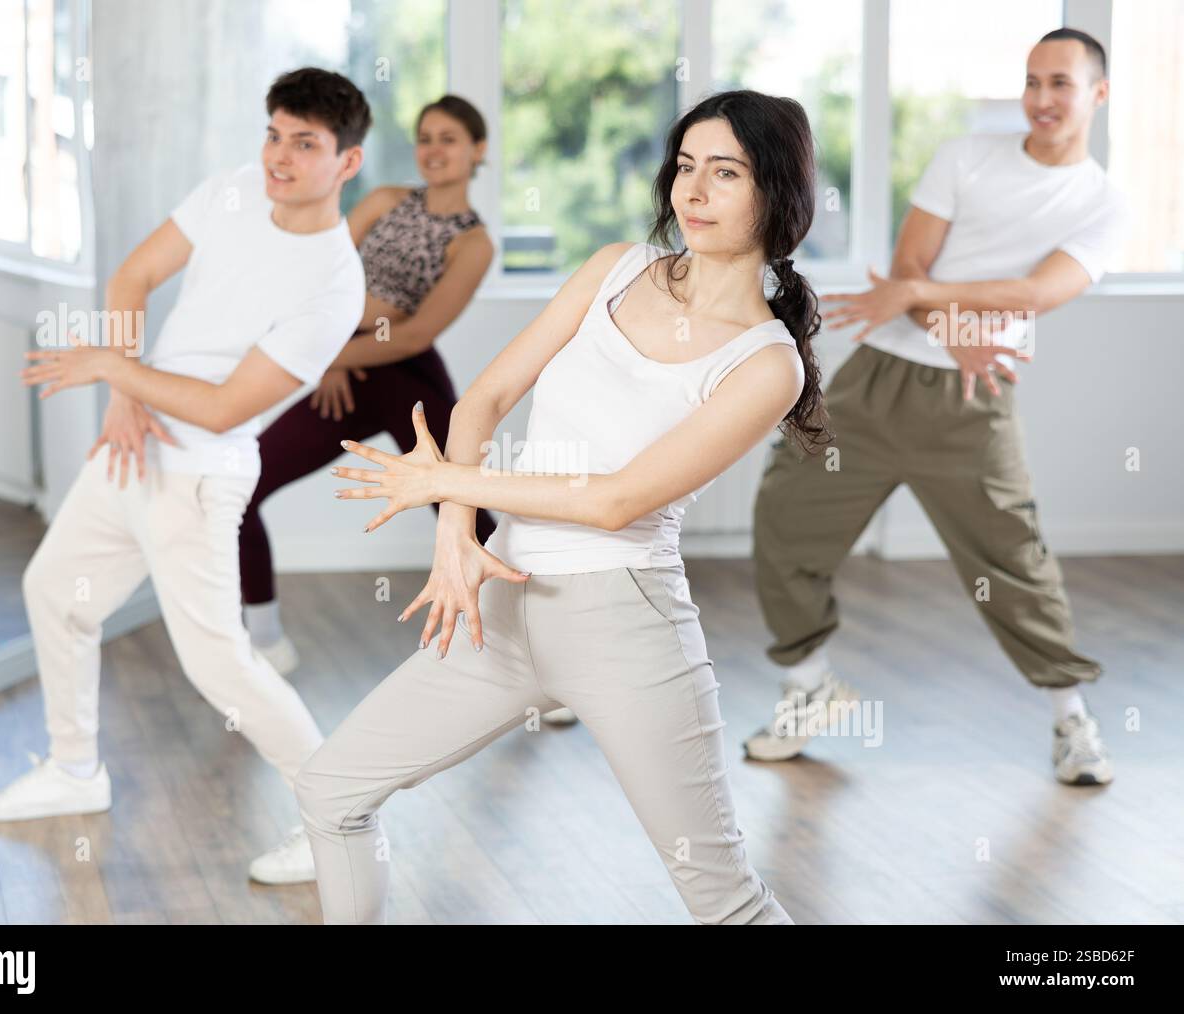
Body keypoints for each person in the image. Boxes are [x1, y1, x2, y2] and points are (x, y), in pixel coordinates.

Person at [295, 89, 830, 924]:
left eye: (724, 173)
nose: (692, 191)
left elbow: (615, 501)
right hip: (502, 606)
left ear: (777, 195)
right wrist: (453, 544)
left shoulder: (766, 364)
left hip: (625, 626)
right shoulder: (616, 266)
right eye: (685, 167)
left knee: (723, 901)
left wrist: (444, 483)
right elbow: (486, 397)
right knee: (330, 791)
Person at [0, 68, 369, 885]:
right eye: (273, 133)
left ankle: (342, 825)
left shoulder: (334, 283)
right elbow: (132, 275)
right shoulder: (232, 190)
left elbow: (228, 407)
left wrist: (109, 368)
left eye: (305, 144)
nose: (279, 157)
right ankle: (75, 769)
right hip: (135, 444)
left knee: (220, 665)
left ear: (348, 162)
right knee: (56, 591)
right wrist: (123, 386)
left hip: (202, 473)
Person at [744, 28, 1130, 786]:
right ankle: (808, 686)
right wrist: (946, 322)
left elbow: (1032, 294)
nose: (1041, 99)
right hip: (876, 380)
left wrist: (916, 297)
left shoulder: (1103, 203)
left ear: (1097, 95)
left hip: (973, 402)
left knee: (1012, 562)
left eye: (1060, 84)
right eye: (1031, 82)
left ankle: (1072, 721)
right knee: (784, 518)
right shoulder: (966, 155)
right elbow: (911, 264)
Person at [240, 95, 501, 680]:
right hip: (343, 370)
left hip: (406, 379)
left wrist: (330, 352)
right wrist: (328, 354)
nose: (434, 149)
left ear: (477, 150)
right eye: (425, 137)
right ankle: (265, 639)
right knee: (242, 484)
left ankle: (532, 657)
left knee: (467, 517)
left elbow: (417, 334)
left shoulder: (474, 242)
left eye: (450, 138)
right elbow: (321, 272)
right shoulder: (385, 201)